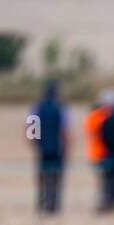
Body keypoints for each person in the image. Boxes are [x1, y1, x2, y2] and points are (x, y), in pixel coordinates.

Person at [28, 81, 68, 214]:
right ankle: (53, 204)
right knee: (56, 177)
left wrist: (35, 144)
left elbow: (30, 130)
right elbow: (64, 131)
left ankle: (42, 202)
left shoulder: (36, 107)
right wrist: (66, 147)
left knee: (42, 176)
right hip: (57, 147)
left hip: (42, 147)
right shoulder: (61, 108)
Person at [84, 90, 113, 212]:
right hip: (99, 154)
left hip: (101, 153)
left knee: (106, 181)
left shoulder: (97, 115)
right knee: (103, 182)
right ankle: (103, 204)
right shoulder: (97, 116)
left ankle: (106, 202)